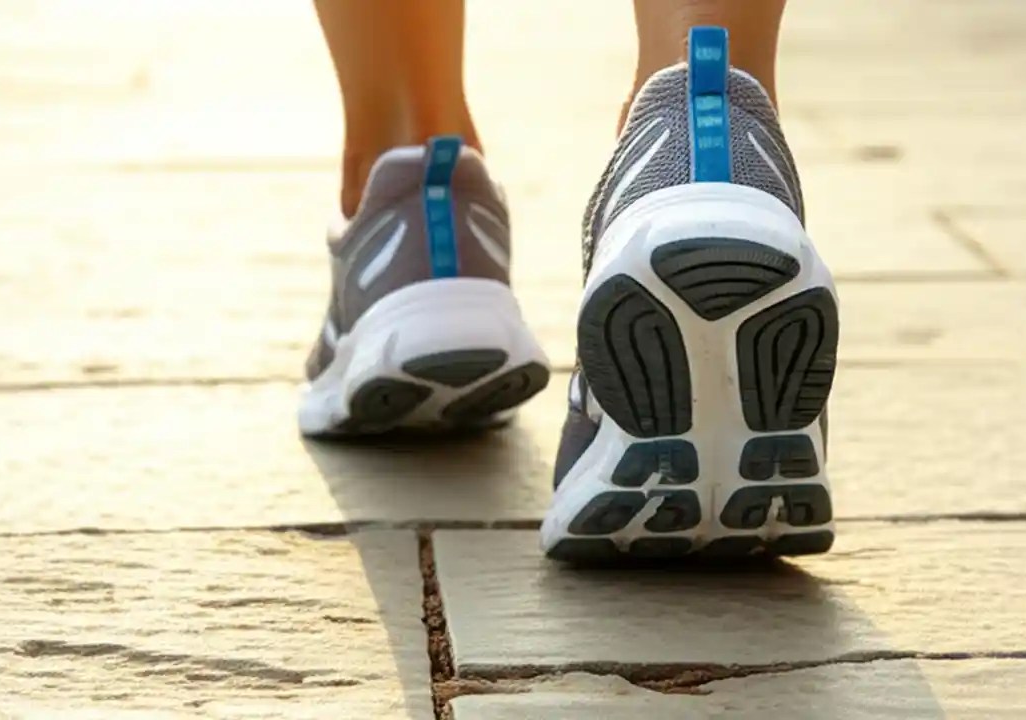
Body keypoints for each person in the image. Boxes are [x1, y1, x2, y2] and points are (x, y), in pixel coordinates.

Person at [299, 1, 838, 564]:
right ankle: (703, 148)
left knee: (408, 124)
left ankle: (405, 199)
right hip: (742, 164)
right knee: (704, 56)